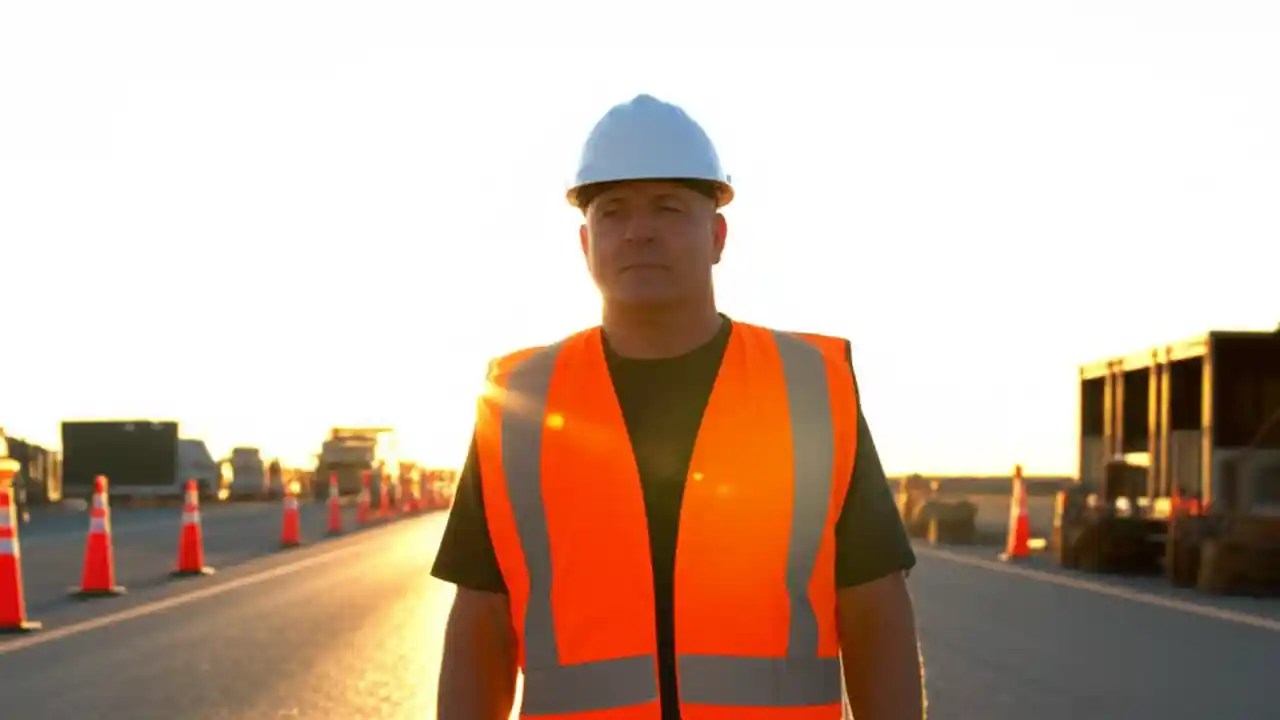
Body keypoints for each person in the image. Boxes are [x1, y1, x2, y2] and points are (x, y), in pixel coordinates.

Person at [432, 94, 925, 720]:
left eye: (668, 207)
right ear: (586, 243)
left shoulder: (809, 389)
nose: (639, 230)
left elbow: (874, 606)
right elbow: (481, 622)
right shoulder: (520, 402)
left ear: (717, 235)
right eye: (613, 212)